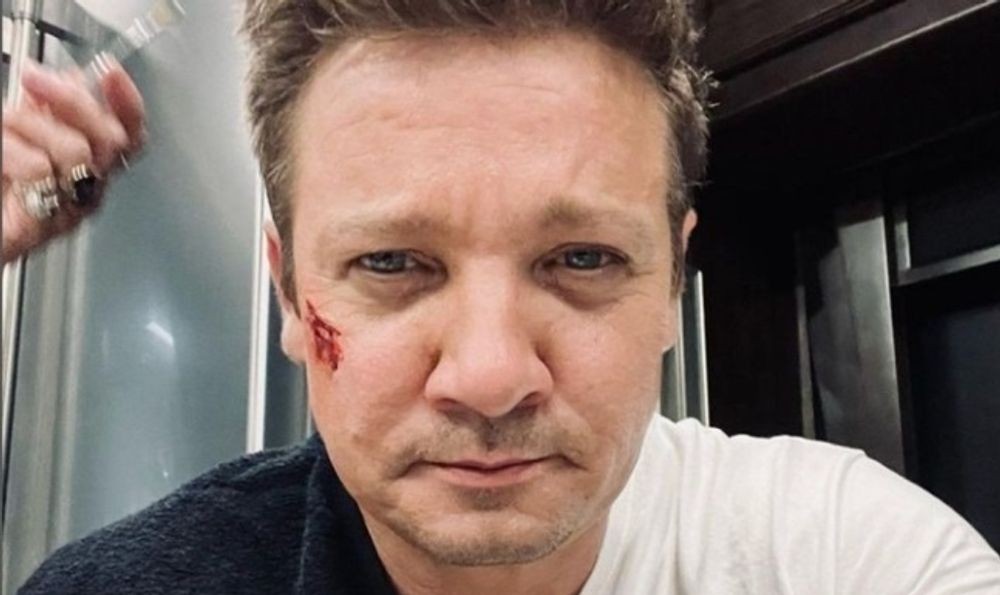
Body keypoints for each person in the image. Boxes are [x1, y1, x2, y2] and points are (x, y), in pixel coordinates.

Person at [8, 1, 1000, 593]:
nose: (489, 378)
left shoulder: (842, 556)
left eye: (581, 259)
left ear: (672, 283)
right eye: (392, 263)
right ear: (291, 293)